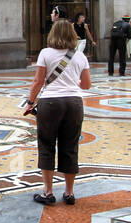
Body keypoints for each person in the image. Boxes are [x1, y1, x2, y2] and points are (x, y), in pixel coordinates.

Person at [25, 20, 92, 205]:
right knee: (70, 146)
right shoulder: (79, 56)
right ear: (72, 35)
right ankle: (69, 193)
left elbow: (38, 81)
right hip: (74, 103)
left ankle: (48, 192)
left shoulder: (45, 53)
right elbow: (86, 85)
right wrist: (70, 82)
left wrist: (30, 102)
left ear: (52, 34)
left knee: (46, 145)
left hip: (50, 103)